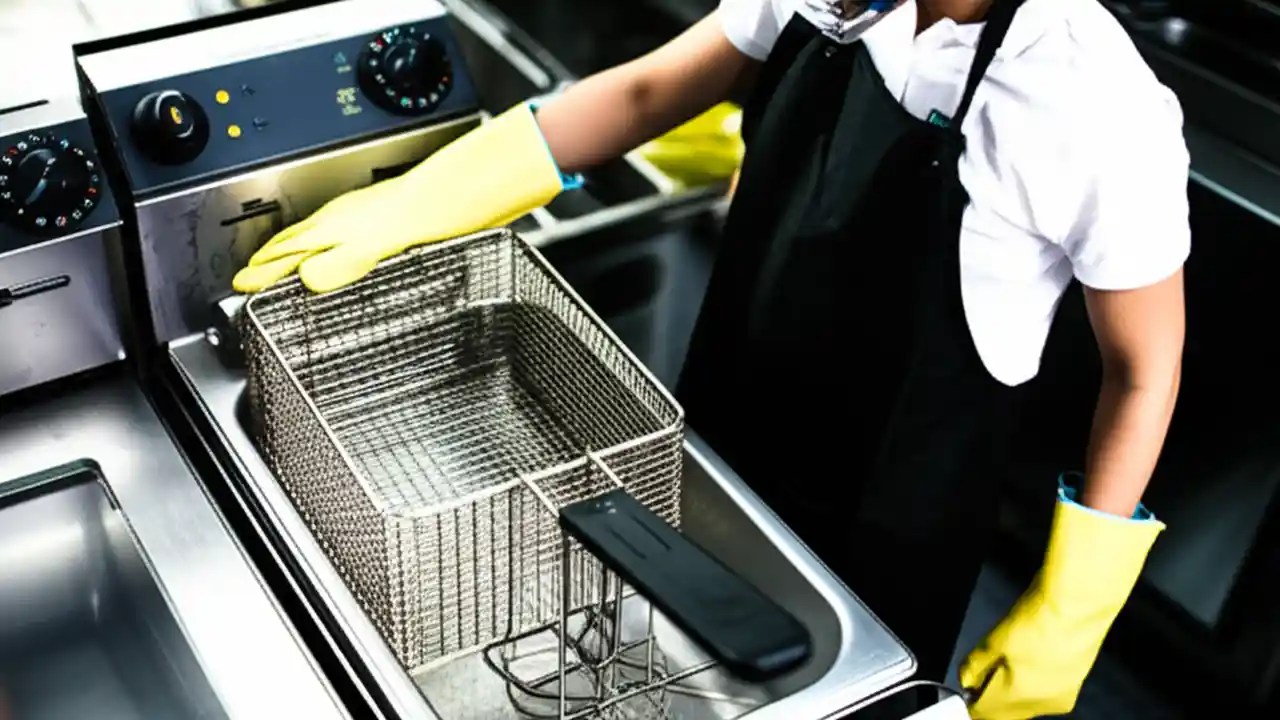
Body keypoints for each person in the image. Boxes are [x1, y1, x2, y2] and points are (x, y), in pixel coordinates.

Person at [233, 0, 1189, 717]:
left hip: (888, 530)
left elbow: (1143, 368)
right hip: (718, 449)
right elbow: (650, 91)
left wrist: (1072, 608)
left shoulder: (1095, 103)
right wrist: (422, 201)